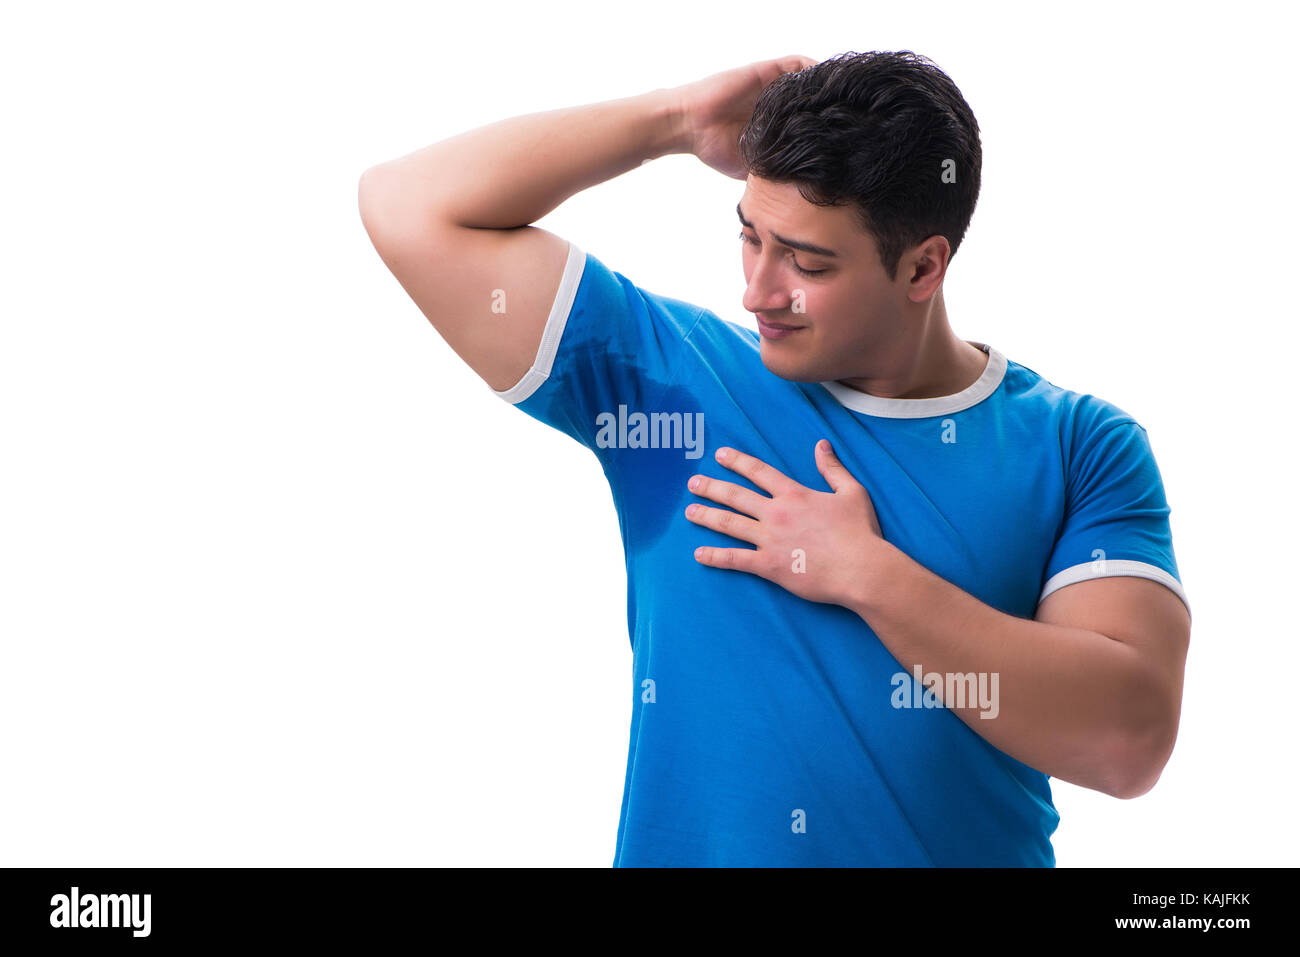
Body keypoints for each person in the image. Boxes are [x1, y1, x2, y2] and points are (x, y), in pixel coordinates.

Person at [357, 50, 1191, 867]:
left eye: (806, 261)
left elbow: (1128, 741)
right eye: (750, 238)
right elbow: (406, 205)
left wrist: (868, 573)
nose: (758, 290)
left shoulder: (1081, 445)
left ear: (923, 265)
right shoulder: (666, 380)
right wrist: (674, 121)